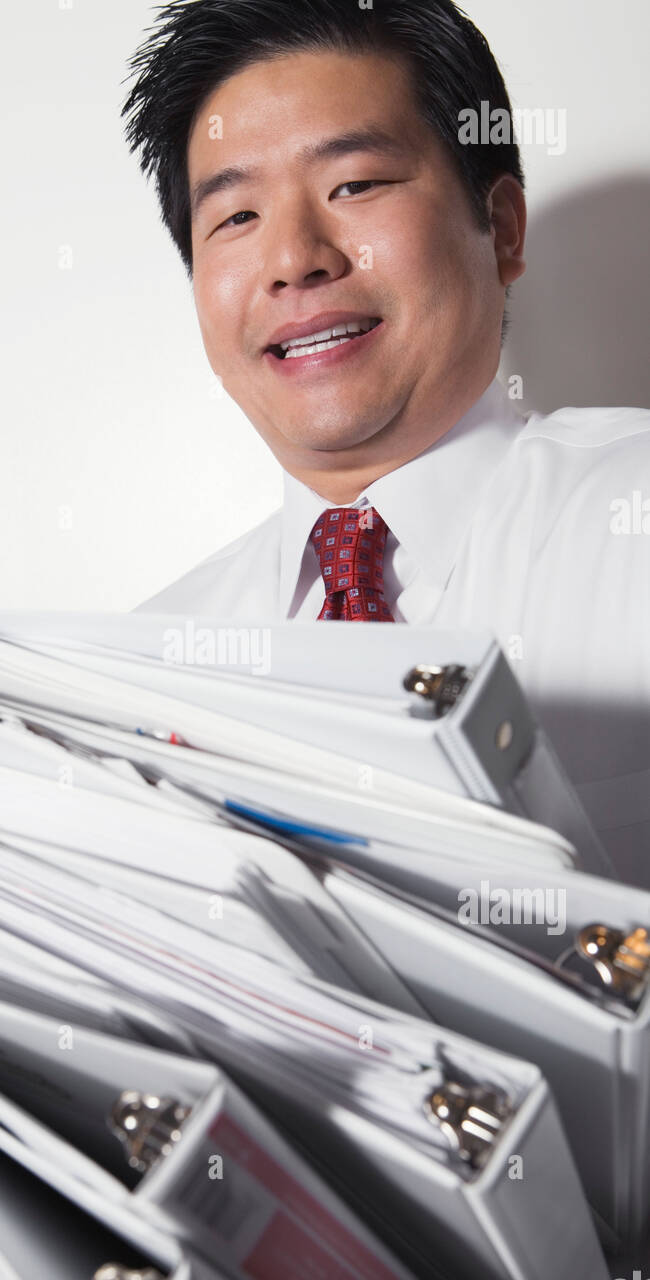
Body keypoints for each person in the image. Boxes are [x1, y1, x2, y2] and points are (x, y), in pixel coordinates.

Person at [121, 0, 650, 888]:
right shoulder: (139, 669)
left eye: (355, 184)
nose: (295, 258)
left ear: (503, 228)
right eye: (236, 217)